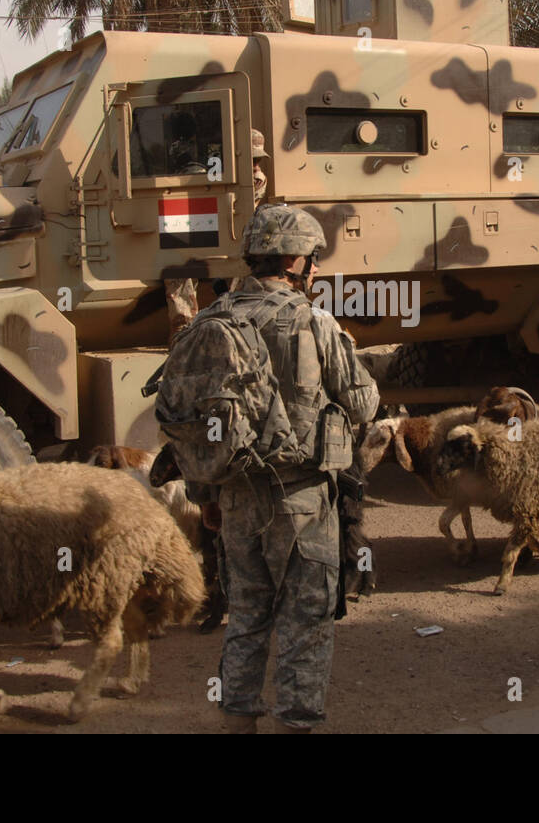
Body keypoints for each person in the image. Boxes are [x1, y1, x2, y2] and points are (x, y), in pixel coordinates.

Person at [215, 203, 379, 732]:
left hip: (235, 494)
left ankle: (235, 723)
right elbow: (362, 405)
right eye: (312, 256)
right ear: (292, 258)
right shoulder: (314, 321)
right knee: (305, 623)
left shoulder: (212, 319)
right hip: (302, 498)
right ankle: (294, 724)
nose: (315, 266)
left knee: (245, 617)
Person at [163, 129, 271, 340]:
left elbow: (239, 216)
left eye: (258, 159)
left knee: (243, 261)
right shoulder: (205, 173)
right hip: (200, 231)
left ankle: (232, 326)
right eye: (252, 159)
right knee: (176, 265)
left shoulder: (257, 179)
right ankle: (184, 331)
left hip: (231, 237)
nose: (256, 166)